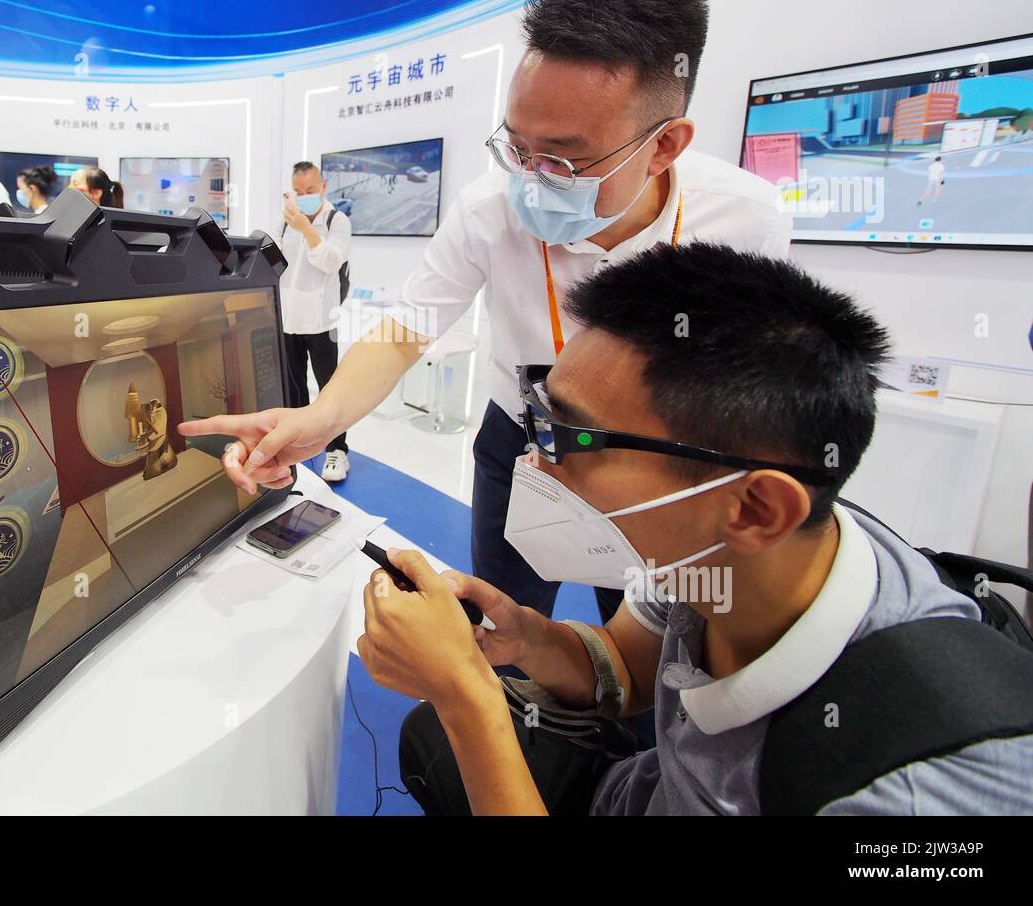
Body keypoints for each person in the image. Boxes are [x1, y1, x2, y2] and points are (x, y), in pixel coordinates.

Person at [179, 0, 790, 623]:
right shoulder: (488, 207)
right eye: (516, 146)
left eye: (561, 157)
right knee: (503, 622)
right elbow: (405, 331)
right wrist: (319, 421)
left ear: (666, 144)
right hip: (523, 439)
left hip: (656, 458)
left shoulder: (743, 223)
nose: (530, 177)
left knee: (656, 642)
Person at [357, 243, 1033, 816]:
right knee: (431, 738)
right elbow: (624, 665)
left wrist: (465, 695)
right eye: (541, 416)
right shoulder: (710, 558)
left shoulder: (911, 792)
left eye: (573, 437)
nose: (534, 461)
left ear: (756, 508)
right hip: (645, 790)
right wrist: (529, 637)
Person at [276, 162, 353, 482]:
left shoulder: (337, 220)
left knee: (329, 390)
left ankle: (337, 451)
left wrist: (306, 230)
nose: (305, 197)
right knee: (293, 387)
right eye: (299, 191)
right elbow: (280, 262)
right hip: (289, 319)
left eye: (311, 190)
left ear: (323, 186)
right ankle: (300, 442)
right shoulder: (286, 222)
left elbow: (332, 261)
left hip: (322, 320)